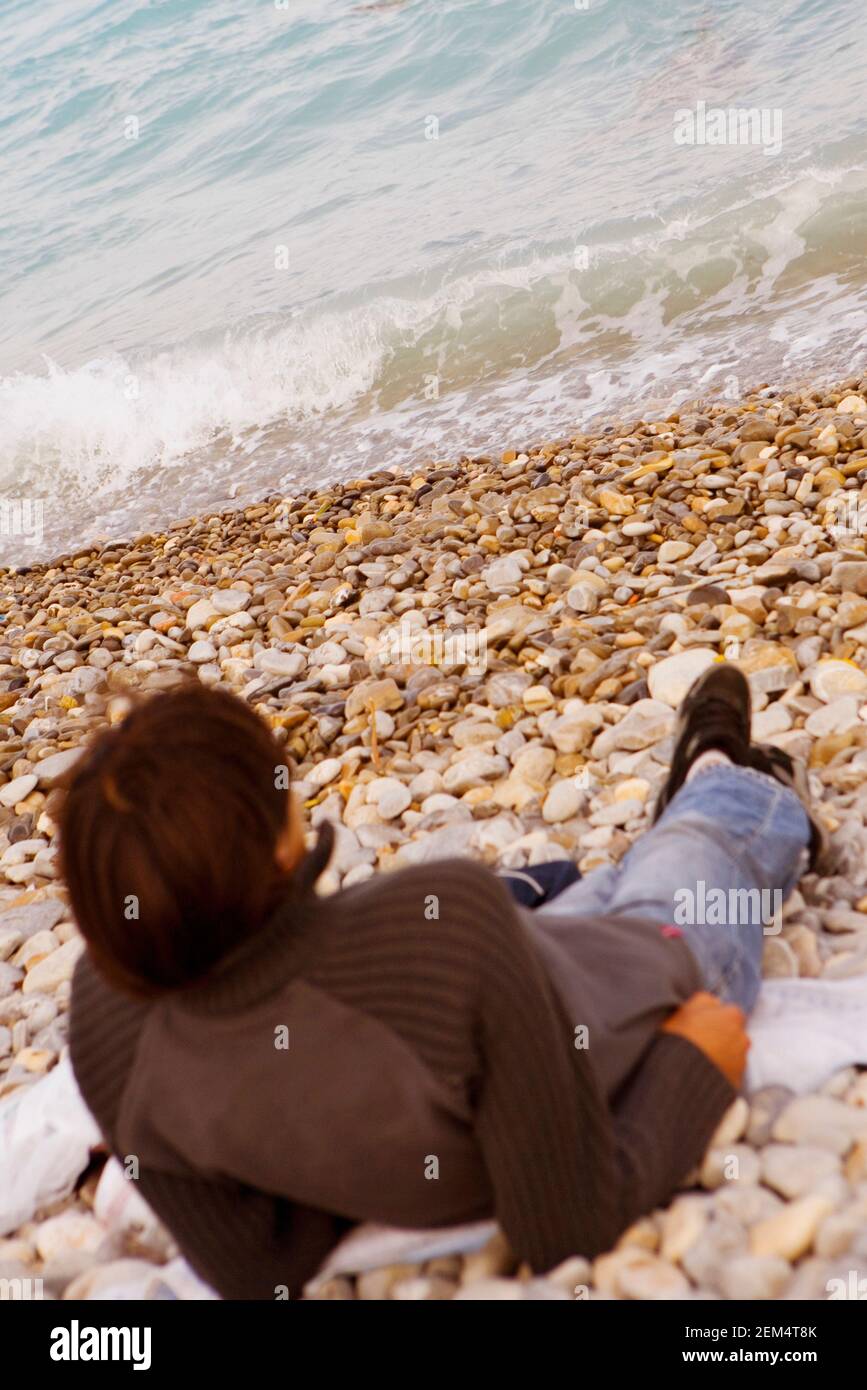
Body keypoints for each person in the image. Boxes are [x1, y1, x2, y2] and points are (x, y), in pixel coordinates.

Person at [65, 665, 822, 1299]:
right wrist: (692, 1064)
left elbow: (255, 1264)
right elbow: (566, 1221)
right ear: (281, 847)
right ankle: (717, 765)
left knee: (598, 894)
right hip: (629, 1000)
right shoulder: (439, 927)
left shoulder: (104, 1024)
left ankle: (605, 864)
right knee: (702, 840)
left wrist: (352, 1157)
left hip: (510, 987)